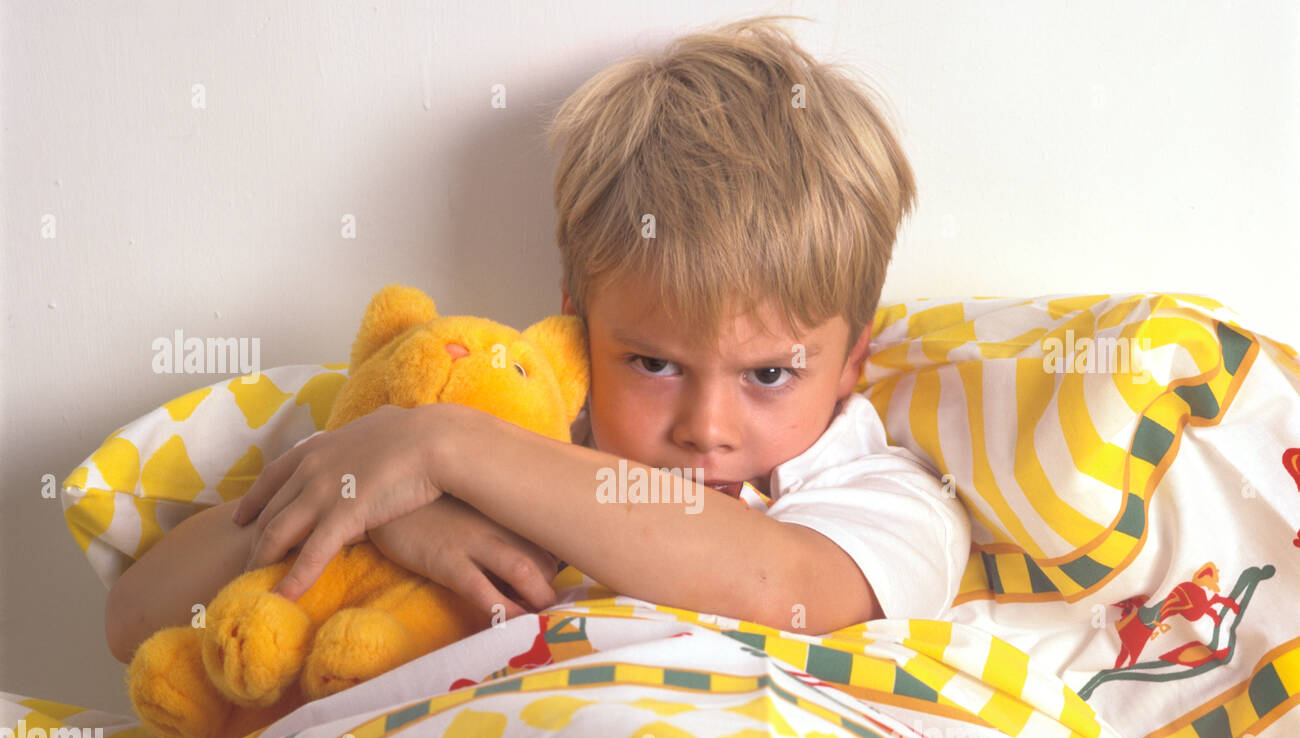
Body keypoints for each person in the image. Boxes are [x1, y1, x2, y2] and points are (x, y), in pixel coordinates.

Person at [105, 15, 969, 664]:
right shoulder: (513, 419)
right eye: (655, 363)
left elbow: (778, 589)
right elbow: (135, 616)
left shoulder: (888, 496)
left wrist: (450, 448)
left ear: (853, 358)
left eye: (770, 374)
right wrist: (388, 519)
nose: (708, 426)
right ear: (576, 325)